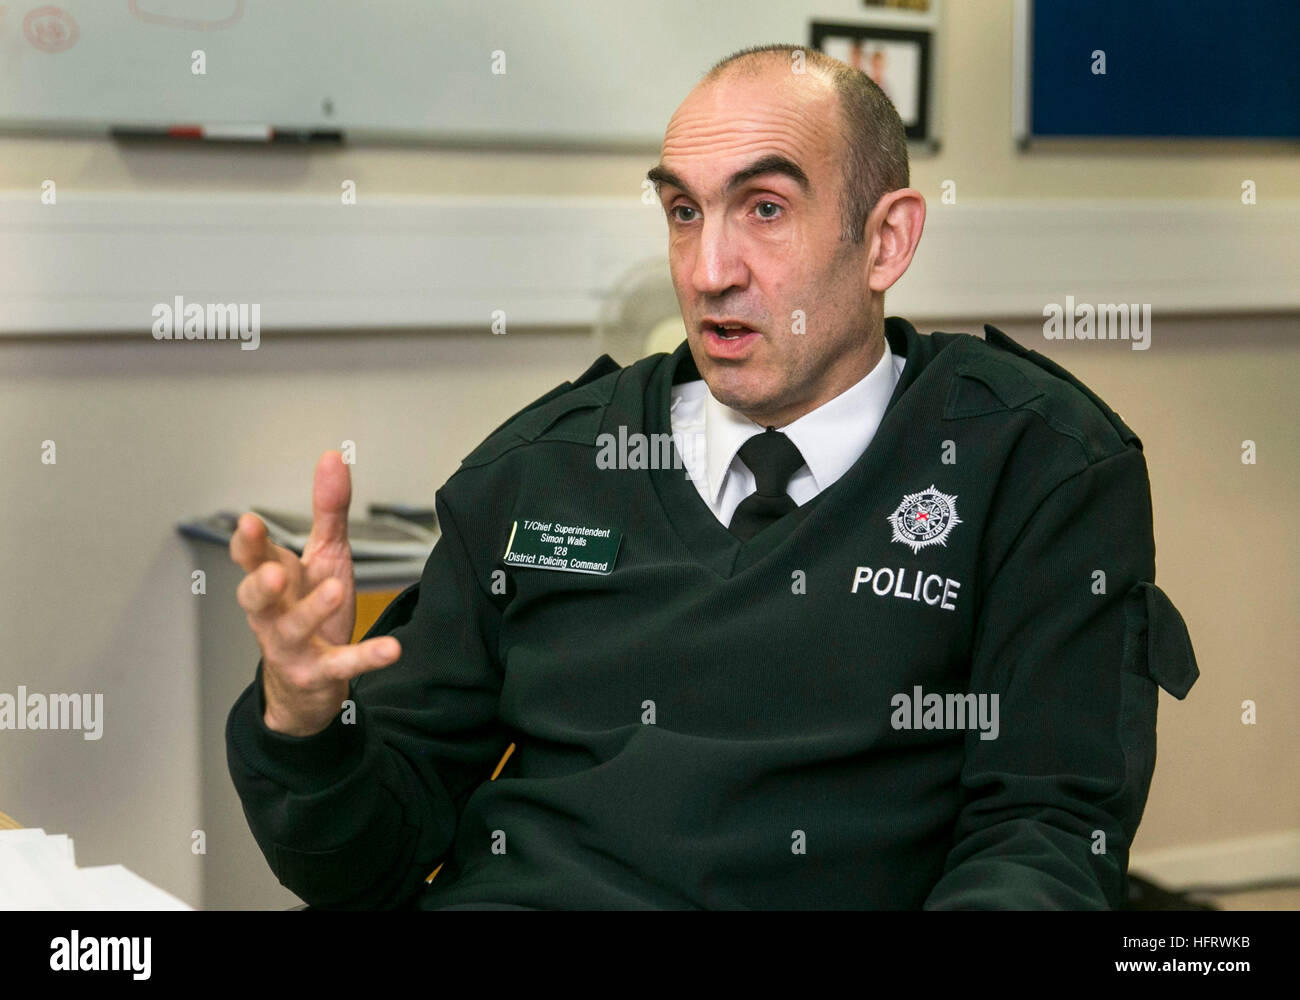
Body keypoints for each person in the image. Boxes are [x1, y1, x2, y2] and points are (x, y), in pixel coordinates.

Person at [225, 43, 1199, 910]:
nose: (707, 268)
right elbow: (365, 867)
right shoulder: (547, 466)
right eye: (683, 211)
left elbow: (1046, 839)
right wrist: (304, 725)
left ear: (887, 240)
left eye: (764, 209)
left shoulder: (1035, 464)